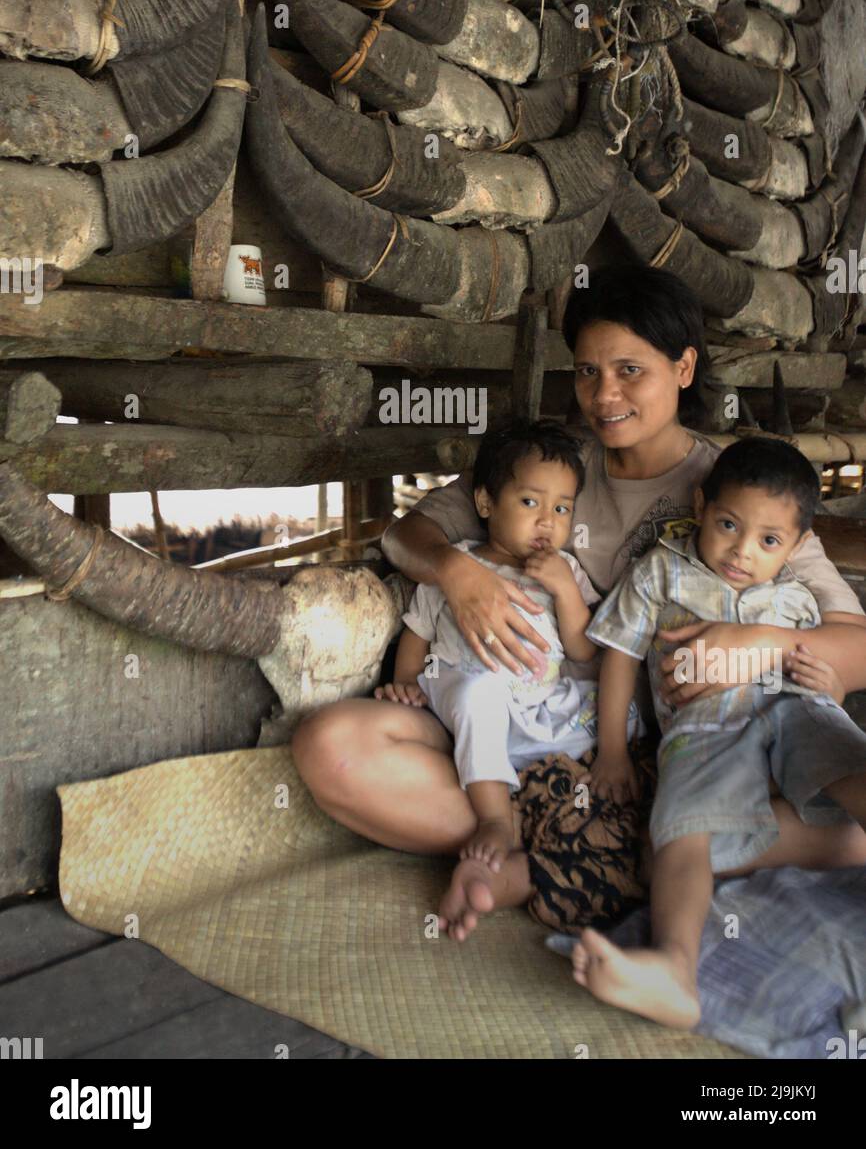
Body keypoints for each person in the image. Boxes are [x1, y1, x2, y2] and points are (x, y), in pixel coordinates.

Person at [292, 265, 866, 940]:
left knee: (842, 823)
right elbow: (403, 535)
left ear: (683, 369)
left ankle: (554, 858)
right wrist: (455, 571)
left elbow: (853, 646)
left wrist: (759, 644)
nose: (604, 394)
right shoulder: (554, 464)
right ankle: (602, 848)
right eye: (588, 372)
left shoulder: (738, 490)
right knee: (330, 747)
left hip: (664, 751)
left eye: (629, 370)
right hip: (506, 718)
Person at [571, 437, 866, 1027]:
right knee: (680, 833)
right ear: (701, 505)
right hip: (703, 727)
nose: (741, 551)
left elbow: (826, 674)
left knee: (846, 758)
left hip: (794, 701)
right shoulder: (660, 571)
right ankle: (675, 970)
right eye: (728, 524)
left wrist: (826, 683)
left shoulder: (799, 594)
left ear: (799, 545)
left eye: (769, 541)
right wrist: (611, 751)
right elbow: (621, 658)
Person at [374, 420, 640, 931]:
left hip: (538, 700)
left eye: (561, 508)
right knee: (480, 693)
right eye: (529, 503)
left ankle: (538, 773)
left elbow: (584, 647)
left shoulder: (566, 570)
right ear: (485, 503)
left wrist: (565, 591)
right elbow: (418, 632)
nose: (547, 521)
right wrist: (406, 681)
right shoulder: (457, 567)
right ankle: (498, 818)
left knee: (621, 710)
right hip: (465, 688)